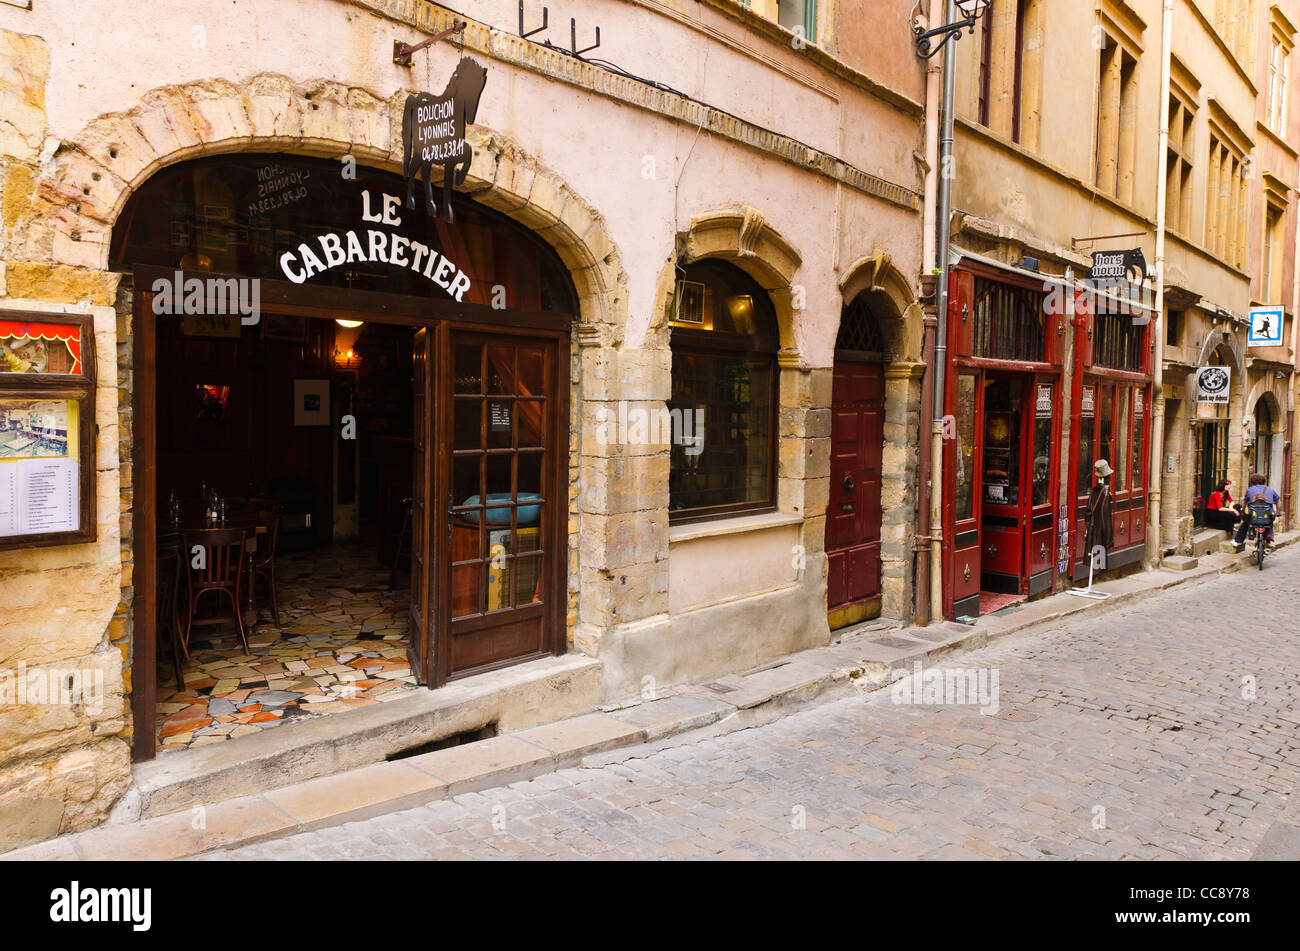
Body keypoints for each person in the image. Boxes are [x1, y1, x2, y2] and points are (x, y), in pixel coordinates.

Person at [1234, 473, 1282, 548]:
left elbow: (1244, 502)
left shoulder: (1249, 490)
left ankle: (1238, 541)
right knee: (1270, 523)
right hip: (1267, 517)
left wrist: (1242, 511)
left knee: (1246, 523)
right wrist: (1278, 512)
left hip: (1253, 517)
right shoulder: (1270, 490)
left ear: (1252, 482)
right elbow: (1278, 501)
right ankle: (1269, 538)